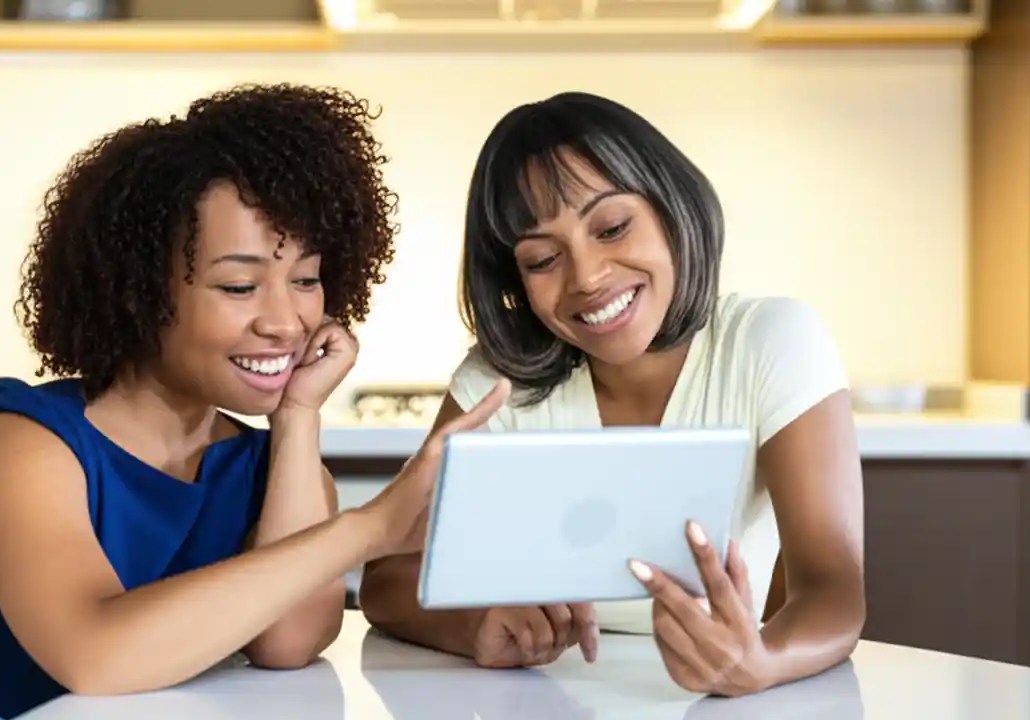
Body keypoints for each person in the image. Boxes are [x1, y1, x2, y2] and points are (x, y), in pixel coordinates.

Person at [0, 83, 510, 720]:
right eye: (240, 287)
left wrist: (298, 418)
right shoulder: (23, 442)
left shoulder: (261, 462)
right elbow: (95, 656)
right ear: (141, 295)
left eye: (305, 279)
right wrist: (370, 528)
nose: (286, 321)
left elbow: (290, 643)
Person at [359, 90, 866, 697]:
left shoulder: (771, 342)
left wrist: (762, 661)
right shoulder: (502, 381)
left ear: (672, 210)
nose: (588, 277)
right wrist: (475, 625)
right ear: (514, 282)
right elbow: (386, 580)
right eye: (544, 258)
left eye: (613, 227)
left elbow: (834, 589)